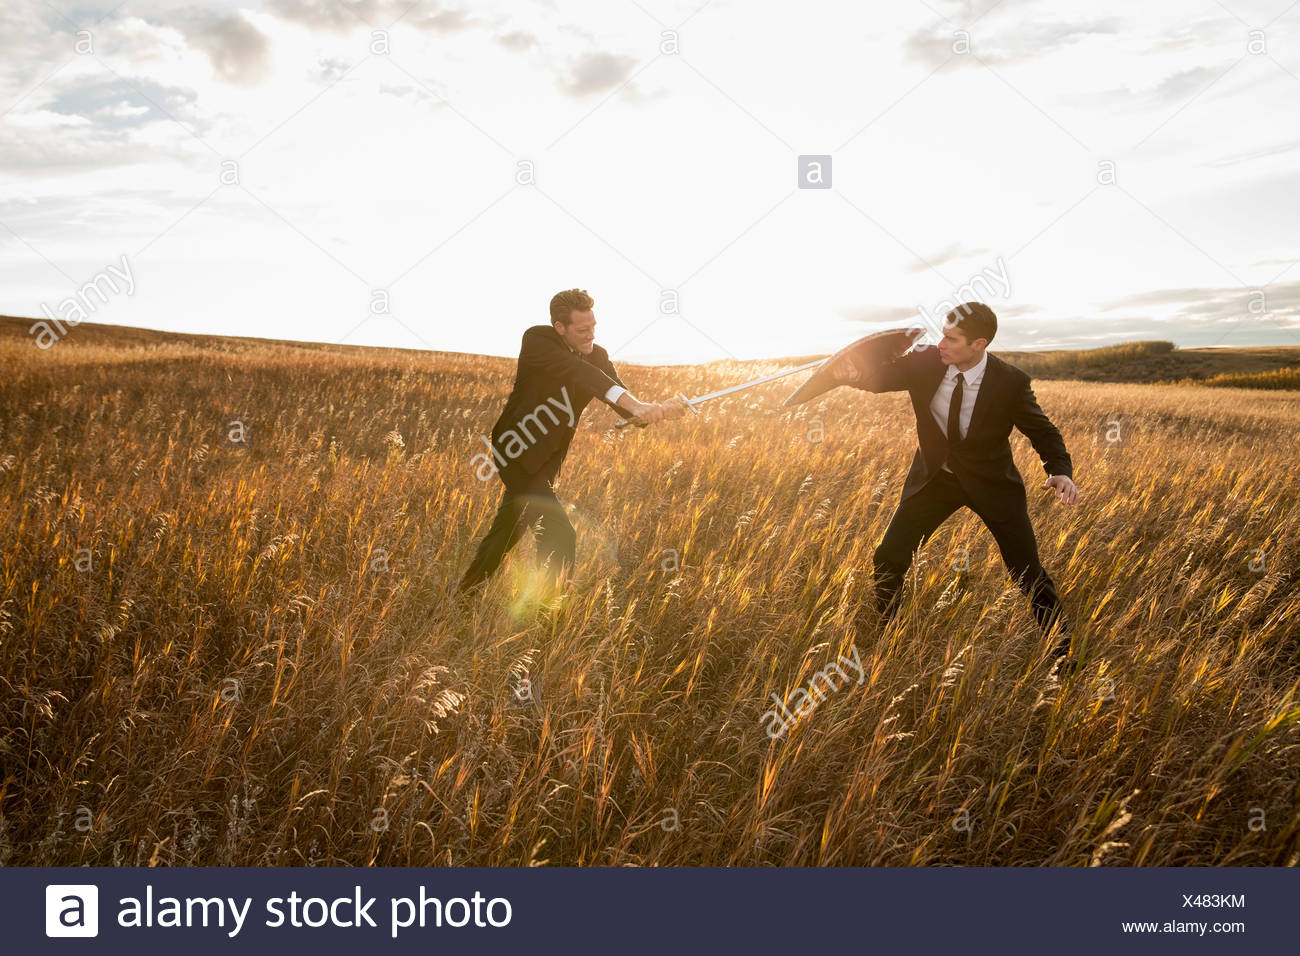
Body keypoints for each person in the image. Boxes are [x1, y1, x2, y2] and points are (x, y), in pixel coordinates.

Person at [832, 302, 1081, 675]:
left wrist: (1060, 470)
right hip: (935, 481)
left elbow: (1043, 431)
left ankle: (1062, 657)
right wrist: (853, 374)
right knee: (888, 557)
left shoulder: (1010, 382)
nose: (941, 344)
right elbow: (881, 378)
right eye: (942, 334)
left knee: (1026, 571)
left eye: (951, 338)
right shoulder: (926, 363)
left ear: (978, 344)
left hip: (993, 485)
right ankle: (893, 638)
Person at [458, 288, 684, 594]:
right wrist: (637, 406)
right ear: (559, 328)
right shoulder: (537, 341)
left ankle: (464, 595)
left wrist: (659, 410)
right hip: (516, 449)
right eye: (582, 330)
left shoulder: (598, 356)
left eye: (593, 327)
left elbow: (620, 401)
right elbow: (583, 374)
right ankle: (547, 610)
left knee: (507, 530)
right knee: (561, 533)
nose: (590, 335)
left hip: (549, 458)